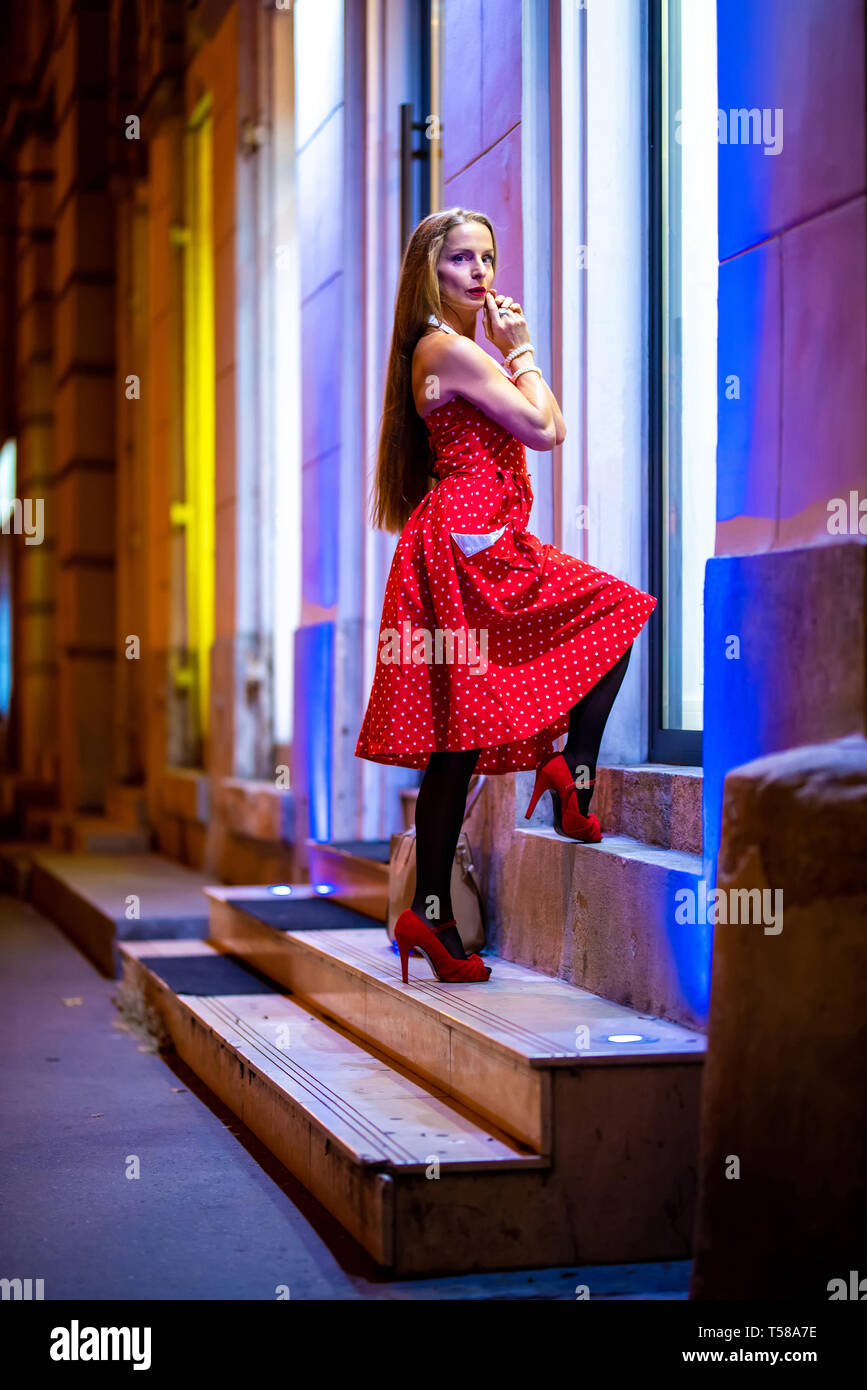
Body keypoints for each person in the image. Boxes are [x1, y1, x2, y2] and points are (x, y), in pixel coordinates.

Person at [355, 208, 656, 983]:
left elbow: (539, 427)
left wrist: (512, 356)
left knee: (458, 738)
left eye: (487, 257)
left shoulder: (444, 348)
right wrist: (522, 351)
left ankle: (431, 910)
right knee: (613, 610)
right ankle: (568, 770)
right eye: (461, 260)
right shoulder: (447, 348)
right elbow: (545, 428)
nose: (480, 272)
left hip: (464, 537)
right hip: (469, 540)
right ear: (430, 270)